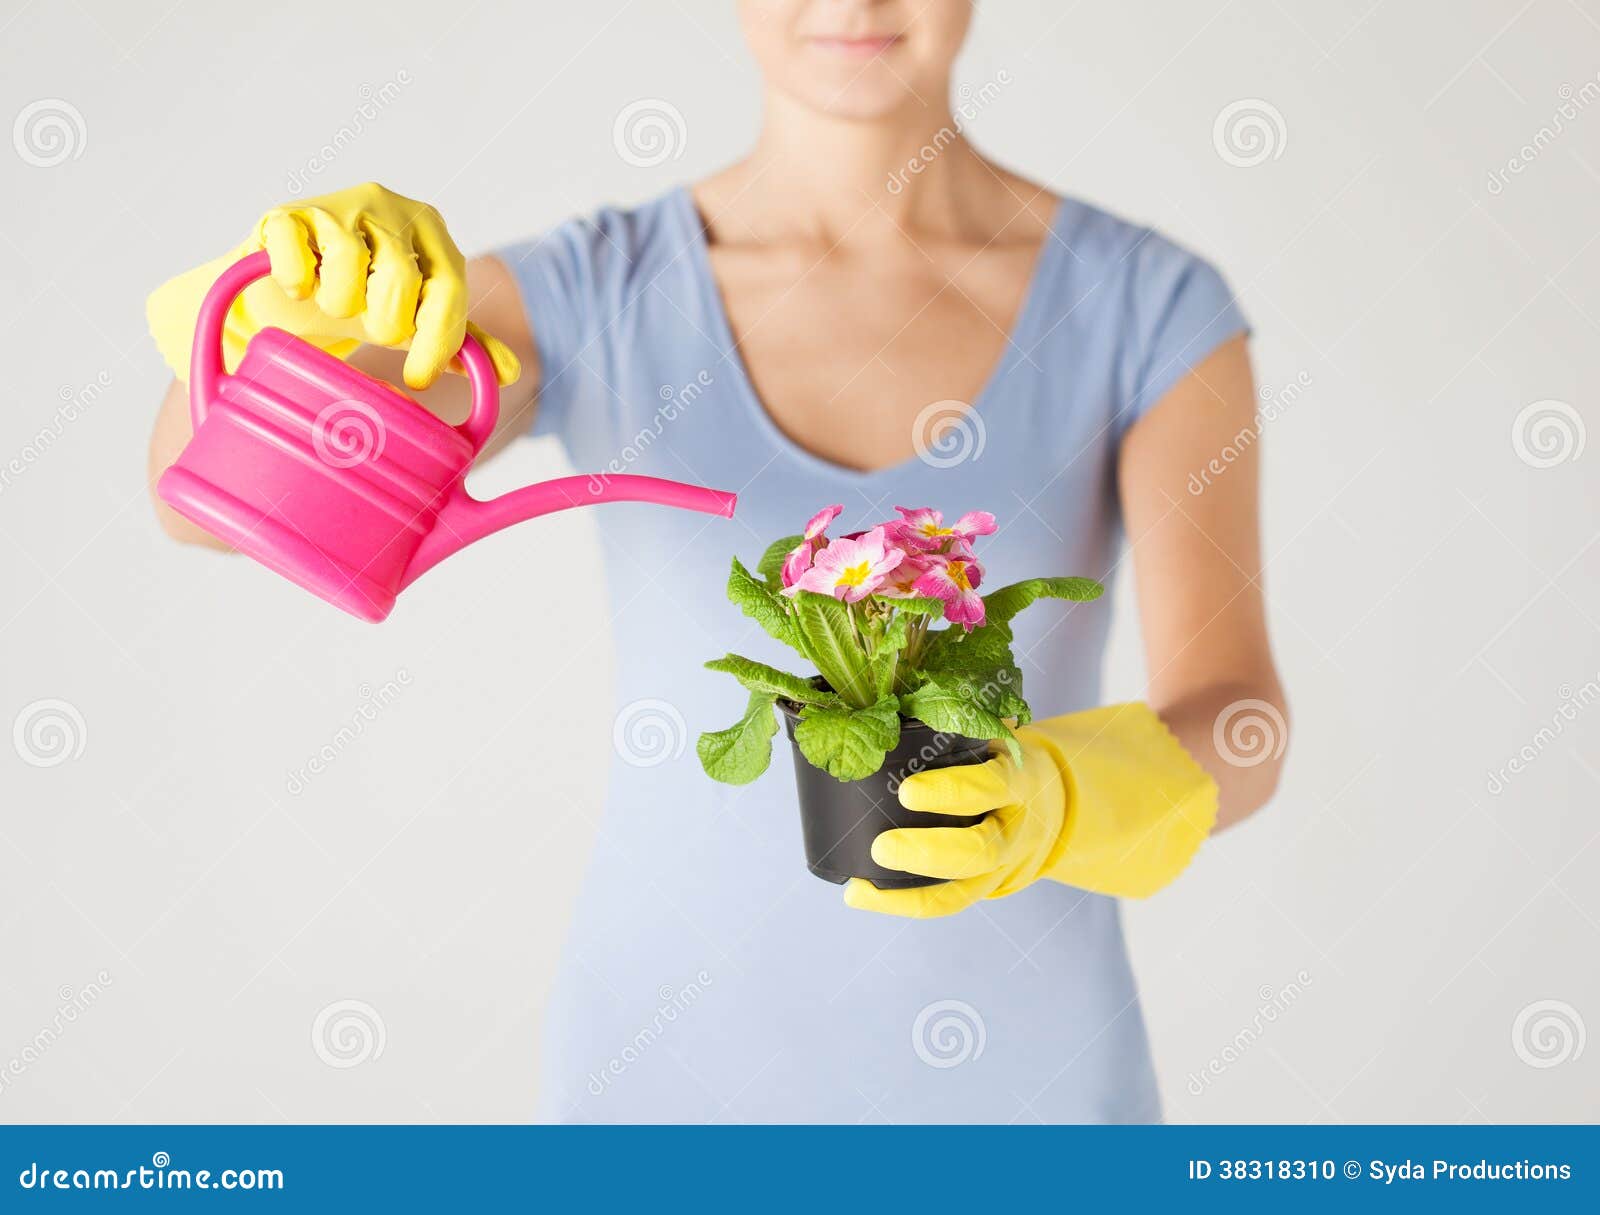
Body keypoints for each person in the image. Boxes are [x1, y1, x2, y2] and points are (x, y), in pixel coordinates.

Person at [145, 0, 1288, 1122]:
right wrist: (291, 309)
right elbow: (208, 506)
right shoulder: (593, 290)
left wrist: (1061, 799)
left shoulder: (1147, 305)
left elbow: (1240, 720)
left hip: (1029, 1092)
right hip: (663, 1083)